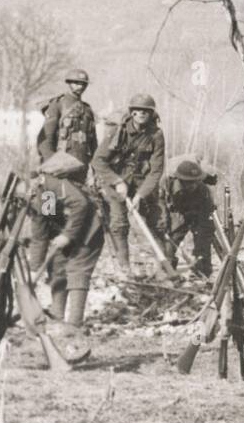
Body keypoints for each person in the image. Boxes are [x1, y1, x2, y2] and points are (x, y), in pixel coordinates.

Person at [92, 93, 166, 274]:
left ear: (151, 114)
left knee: (158, 223)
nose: (141, 114)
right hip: (115, 181)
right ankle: (124, 268)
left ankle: (163, 269)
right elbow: (98, 161)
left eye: (146, 111)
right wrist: (117, 181)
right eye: (137, 111)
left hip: (142, 183)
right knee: (119, 224)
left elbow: (156, 170)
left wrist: (141, 194)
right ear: (131, 113)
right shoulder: (118, 130)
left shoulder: (156, 134)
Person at [32, 151, 106, 326]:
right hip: (70, 228)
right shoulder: (42, 193)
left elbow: (80, 203)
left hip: (90, 229)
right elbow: (41, 232)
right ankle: (57, 314)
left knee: (77, 269)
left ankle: (74, 323)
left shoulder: (50, 183)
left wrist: (67, 235)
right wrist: (34, 268)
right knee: (57, 265)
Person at [163, 157, 215, 278]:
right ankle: (168, 273)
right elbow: (160, 209)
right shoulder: (167, 186)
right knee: (169, 246)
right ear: (180, 180)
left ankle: (202, 272)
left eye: (196, 181)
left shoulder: (203, 191)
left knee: (203, 242)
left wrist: (202, 245)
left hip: (196, 215)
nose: (194, 185)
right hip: (176, 215)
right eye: (189, 181)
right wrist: (163, 226)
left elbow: (206, 221)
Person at [37, 69, 97, 166]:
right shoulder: (58, 104)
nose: (80, 86)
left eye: (83, 84)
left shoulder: (87, 109)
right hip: (61, 164)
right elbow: (45, 140)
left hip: (81, 165)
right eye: (76, 83)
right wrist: (52, 162)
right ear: (69, 83)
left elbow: (93, 142)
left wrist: (93, 166)